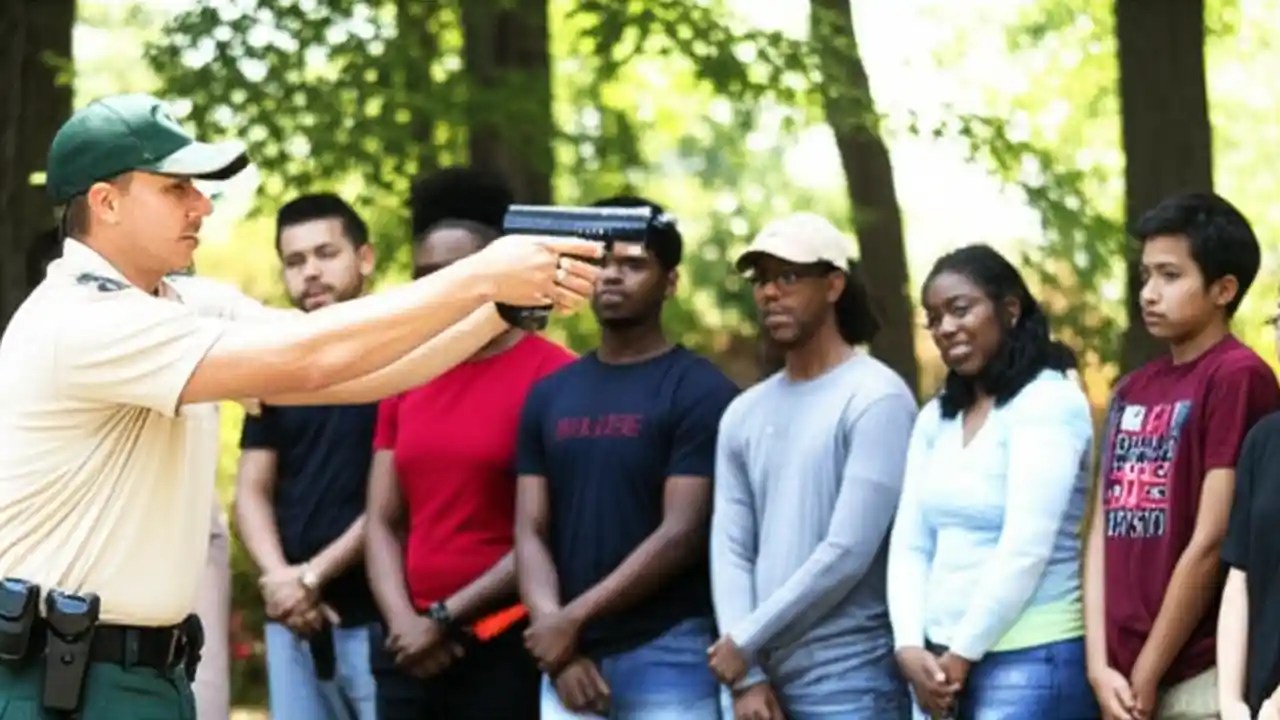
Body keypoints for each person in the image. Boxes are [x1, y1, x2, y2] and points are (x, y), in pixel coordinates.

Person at [0, 92, 601, 718]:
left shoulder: (175, 304)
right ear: (107, 202)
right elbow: (312, 356)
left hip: (136, 676)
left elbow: (351, 371)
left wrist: (495, 314)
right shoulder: (84, 319)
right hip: (70, 686)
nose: (201, 205)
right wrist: (481, 276)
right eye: (176, 187)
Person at [514, 196, 740, 719]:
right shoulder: (549, 394)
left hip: (668, 651)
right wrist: (557, 638)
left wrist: (568, 622)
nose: (612, 276)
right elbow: (530, 528)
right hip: (570, 660)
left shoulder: (701, 393)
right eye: (600, 263)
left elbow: (680, 533)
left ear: (670, 281)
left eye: (633, 263)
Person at [366, 167, 577, 719]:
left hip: (503, 643)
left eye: (456, 274)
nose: (440, 289)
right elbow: (383, 521)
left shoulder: (556, 379)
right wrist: (405, 623)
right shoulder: (407, 373)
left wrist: (445, 619)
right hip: (406, 649)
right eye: (426, 275)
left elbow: (549, 532)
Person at [709, 212, 917, 720]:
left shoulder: (877, 396)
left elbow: (847, 552)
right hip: (756, 686)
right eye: (762, 280)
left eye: (789, 276)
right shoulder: (744, 412)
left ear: (833, 285)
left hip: (848, 682)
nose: (770, 293)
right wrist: (748, 673)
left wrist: (746, 641)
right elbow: (732, 548)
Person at [1084, 192, 1280, 720]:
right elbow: (1103, 527)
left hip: (1196, 672)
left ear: (1223, 289)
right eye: (1146, 275)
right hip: (1117, 673)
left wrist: (1146, 673)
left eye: (1170, 276)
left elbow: (1212, 538)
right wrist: (1098, 664)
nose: (1149, 293)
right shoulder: (1131, 389)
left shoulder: (1238, 377)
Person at [886, 244, 1098, 719]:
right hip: (937, 662)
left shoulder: (1048, 402)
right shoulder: (935, 418)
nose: (945, 327)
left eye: (960, 309)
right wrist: (908, 647)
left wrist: (960, 656)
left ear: (1010, 309)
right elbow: (911, 542)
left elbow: (1025, 546)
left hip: (1029, 659)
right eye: (934, 318)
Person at [234, 194, 387, 720]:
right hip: (291, 622)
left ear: (364, 258)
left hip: (379, 616)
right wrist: (282, 581)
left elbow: (398, 496)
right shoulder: (276, 366)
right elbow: (252, 489)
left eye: (326, 253)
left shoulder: (402, 358)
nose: (312, 272)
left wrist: (312, 577)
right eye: (295, 261)